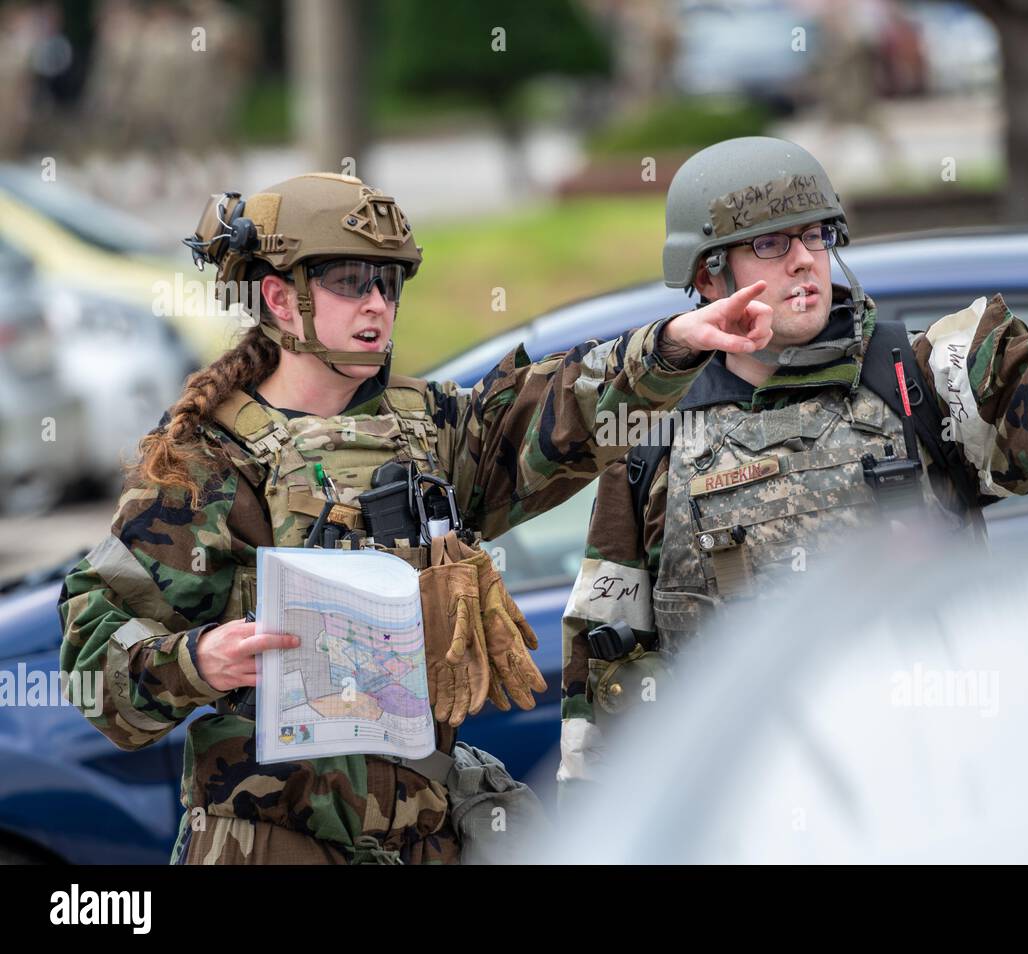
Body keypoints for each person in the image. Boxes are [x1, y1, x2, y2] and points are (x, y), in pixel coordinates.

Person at [57, 172, 773, 864]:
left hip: (423, 833)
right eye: (349, 283)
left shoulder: (429, 428)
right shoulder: (208, 463)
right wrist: (198, 660)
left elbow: (555, 411)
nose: (376, 304)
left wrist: (674, 343)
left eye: (388, 282)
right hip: (271, 842)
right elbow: (92, 646)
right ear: (279, 298)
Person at [555, 136, 1028, 798]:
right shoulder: (653, 437)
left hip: (939, 790)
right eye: (769, 243)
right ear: (708, 274)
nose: (803, 261)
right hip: (757, 813)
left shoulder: (916, 373)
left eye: (817, 236)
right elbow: (611, 667)